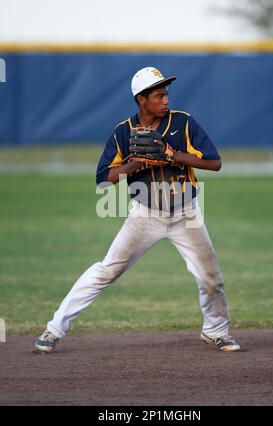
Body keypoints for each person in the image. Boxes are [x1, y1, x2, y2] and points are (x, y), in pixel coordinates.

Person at [35, 67, 240, 353]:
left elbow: (214, 163)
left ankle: (216, 331)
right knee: (106, 271)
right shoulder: (123, 132)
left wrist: (172, 154)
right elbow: (103, 180)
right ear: (141, 99)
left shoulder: (183, 123)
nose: (166, 100)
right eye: (159, 95)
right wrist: (133, 165)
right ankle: (54, 329)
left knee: (210, 277)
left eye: (166, 94)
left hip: (187, 214)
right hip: (145, 215)